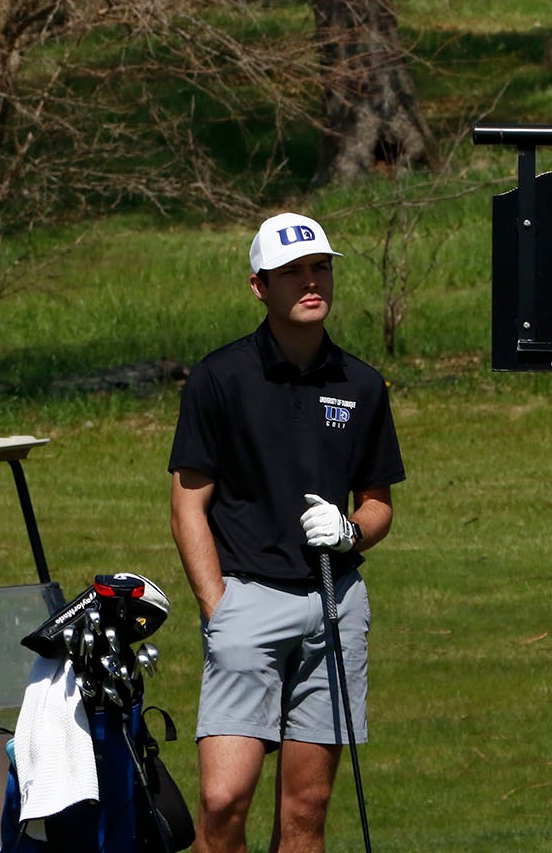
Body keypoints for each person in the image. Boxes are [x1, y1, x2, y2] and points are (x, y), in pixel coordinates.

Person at [167, 212, 405, 853]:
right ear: (259, 286)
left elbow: (379, 504)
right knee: (222, 803)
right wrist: (217, 606)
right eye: (293, 272)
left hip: (333, 603)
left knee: (306, 810)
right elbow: (188, 506)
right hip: (245, 599)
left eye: (320, 268)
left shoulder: (360, 383)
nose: (311, 282)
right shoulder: (220, 377)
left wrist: (349, 532)